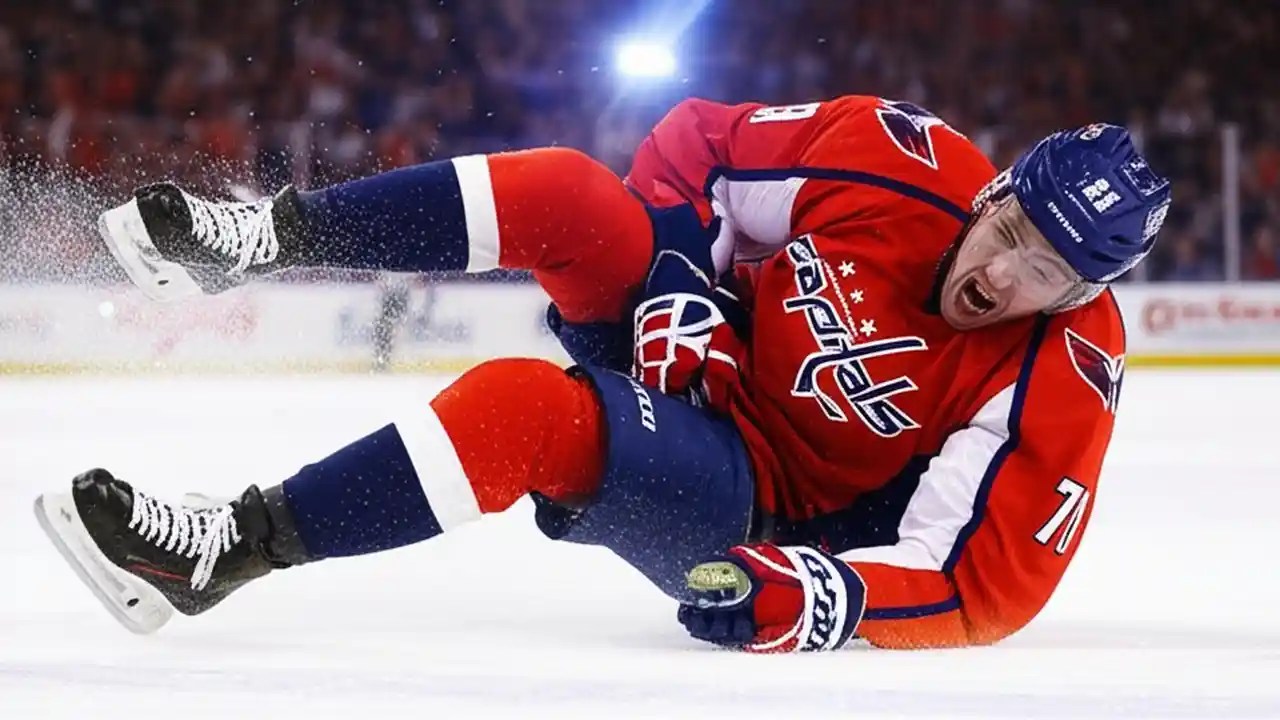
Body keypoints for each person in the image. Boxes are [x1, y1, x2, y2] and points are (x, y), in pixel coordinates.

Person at [36, 95, 1171, 651]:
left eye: (1050, 272)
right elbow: (697, 144)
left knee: (525, 407)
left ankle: (225, 549)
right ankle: (263, 240)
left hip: (751, 508)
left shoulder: (1065, 367)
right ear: (992, 191)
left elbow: (985, 583)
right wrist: (681, 273)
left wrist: (830, 598)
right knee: (576, 194)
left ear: (1082, 294)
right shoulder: (890, 155)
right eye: (1014, 228)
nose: (1006, 274)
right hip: (696, 347)